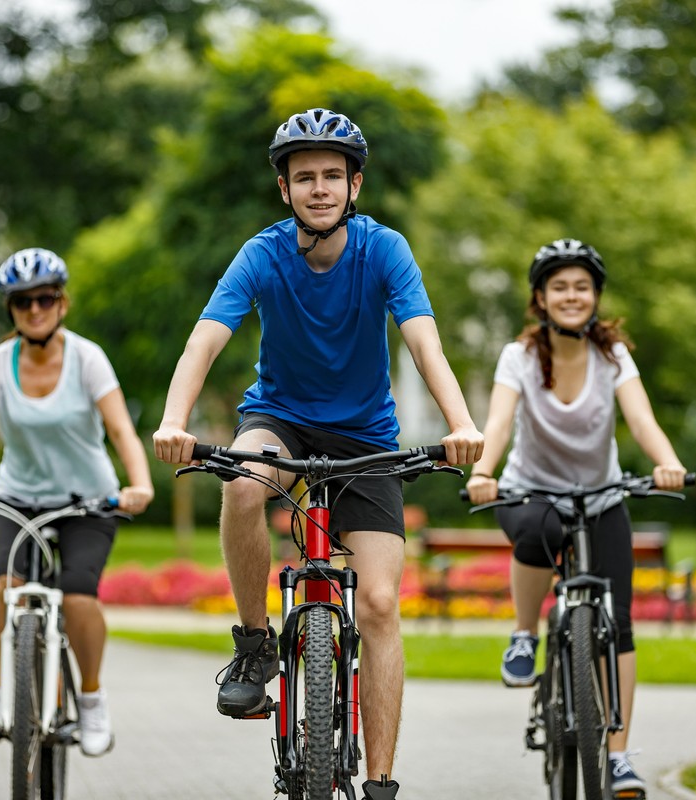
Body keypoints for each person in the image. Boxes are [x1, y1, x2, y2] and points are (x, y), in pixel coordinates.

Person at [152, 108, 483, 800]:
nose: (320, 188)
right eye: (305, 177)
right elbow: (203, 340)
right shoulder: (262, 254)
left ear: (354, 184)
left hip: (366, 436)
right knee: (242, 483)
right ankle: (253, 645)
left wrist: (462, 425)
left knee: (383, 605)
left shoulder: (384, 250)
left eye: (333, 175)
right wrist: (175, 419)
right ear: (285, 190)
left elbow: (425, 343)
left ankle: (382, 783)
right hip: (281, 419)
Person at [464, 238, 687, 795]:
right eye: (559, 286)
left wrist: (668, 464)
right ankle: (523, 635)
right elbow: (498, 421)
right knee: (541, 531)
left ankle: (617, 756)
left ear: (595, 296)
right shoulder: (518, 356)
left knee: (623, 623)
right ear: (540, 297)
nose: (571, 296)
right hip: (529, 495)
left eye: (581, 287)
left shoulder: (613, 357)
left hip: (601, 496)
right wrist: (481, 472)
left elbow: (641, 419)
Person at [0, 247, 153, 757]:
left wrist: (138, 484)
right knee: (3, 589)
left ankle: (92, 701)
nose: (35, 309)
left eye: (45, 298)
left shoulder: (86, 358)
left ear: (62, 303)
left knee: (77, 598)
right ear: (11, 309)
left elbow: (120, 428)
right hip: (18, 498)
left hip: (87, 501)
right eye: (22, 301)